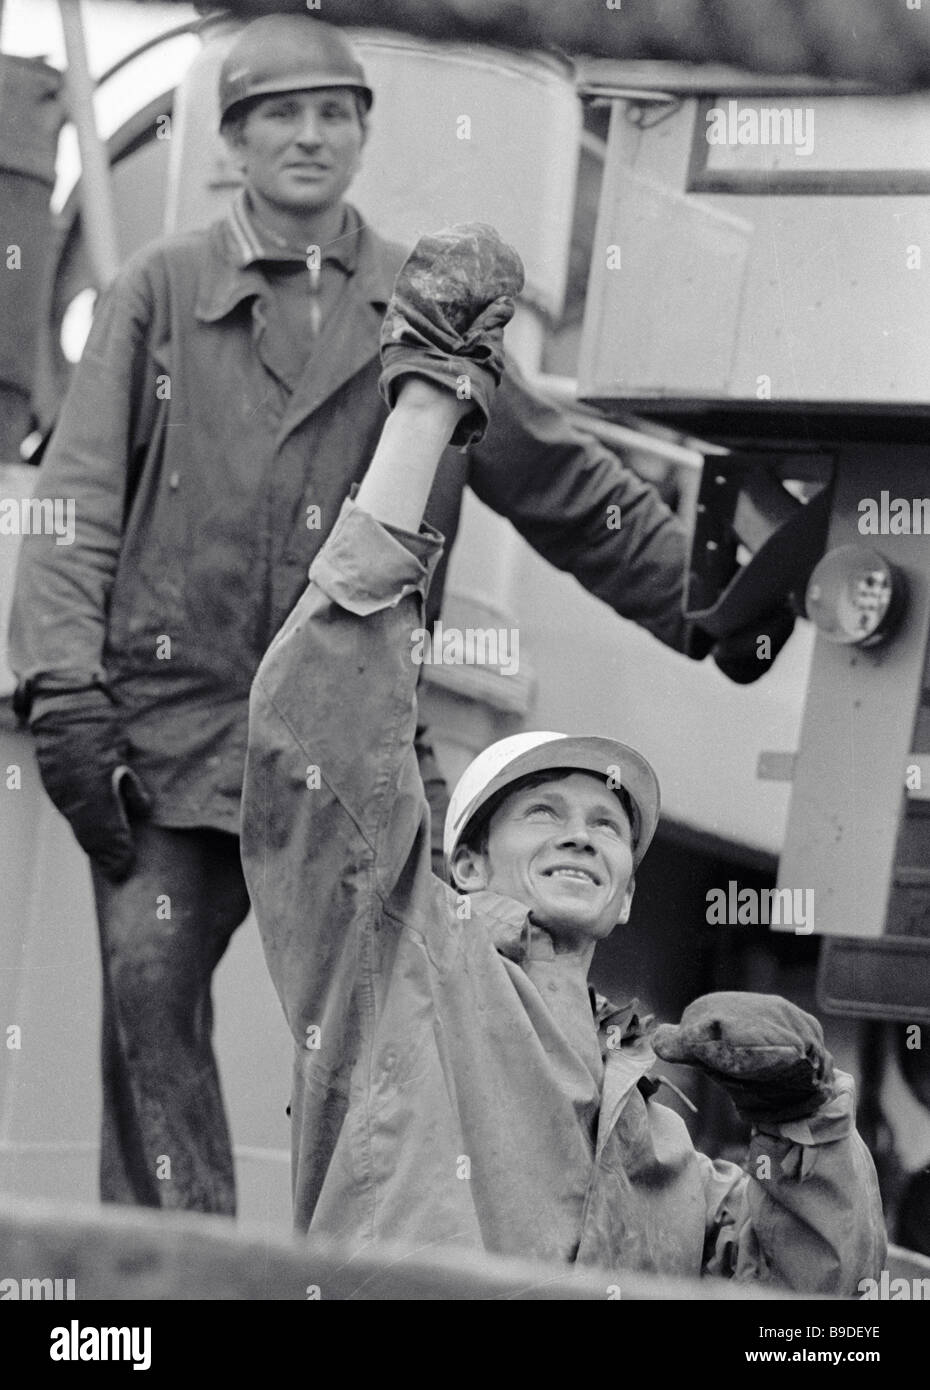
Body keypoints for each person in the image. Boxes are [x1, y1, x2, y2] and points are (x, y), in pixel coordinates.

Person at [8, 15, 787, 1215]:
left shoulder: (421, 315)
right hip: (164, 746)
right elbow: (77, 509)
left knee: (396, 1022)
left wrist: (705, 604)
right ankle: (185, 1285)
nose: (308, 135)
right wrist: (63, 697)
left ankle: (380, 1275)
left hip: (352, 747)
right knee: (148, 986)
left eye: (333, 111)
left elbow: (562, 484)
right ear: (234, 140)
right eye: (280, 113)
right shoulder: (157, 294)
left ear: (365, 132)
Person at [240, 223, 885, 1291]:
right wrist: (430, 397)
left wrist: (804, 1116)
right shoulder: (402, 961)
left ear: (632, 899)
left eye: (608, 825)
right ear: (467, 863)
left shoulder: (666, 1142)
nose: (585, 828)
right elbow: (319, 713)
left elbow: (813, 1302)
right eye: (542, 811)